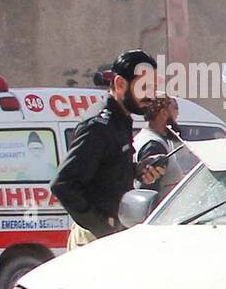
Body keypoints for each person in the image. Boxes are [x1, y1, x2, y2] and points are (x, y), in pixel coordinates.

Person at [52, 49, 165, 251]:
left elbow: (106, 168)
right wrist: (103, 229)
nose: (151, 95)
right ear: (121, 84)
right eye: (144, 86)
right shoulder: (99, 125)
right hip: (94, 237)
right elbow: (63, 184)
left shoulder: (121, 119)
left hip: (114, 231)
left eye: (154, 87)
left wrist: (138, 169)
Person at [133, 93, 195, 200]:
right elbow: (148, 195)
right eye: (175, 108)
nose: (178, 114)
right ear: (163, 113)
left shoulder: (145, 137)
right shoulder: (154, 145)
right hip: (163, 216)